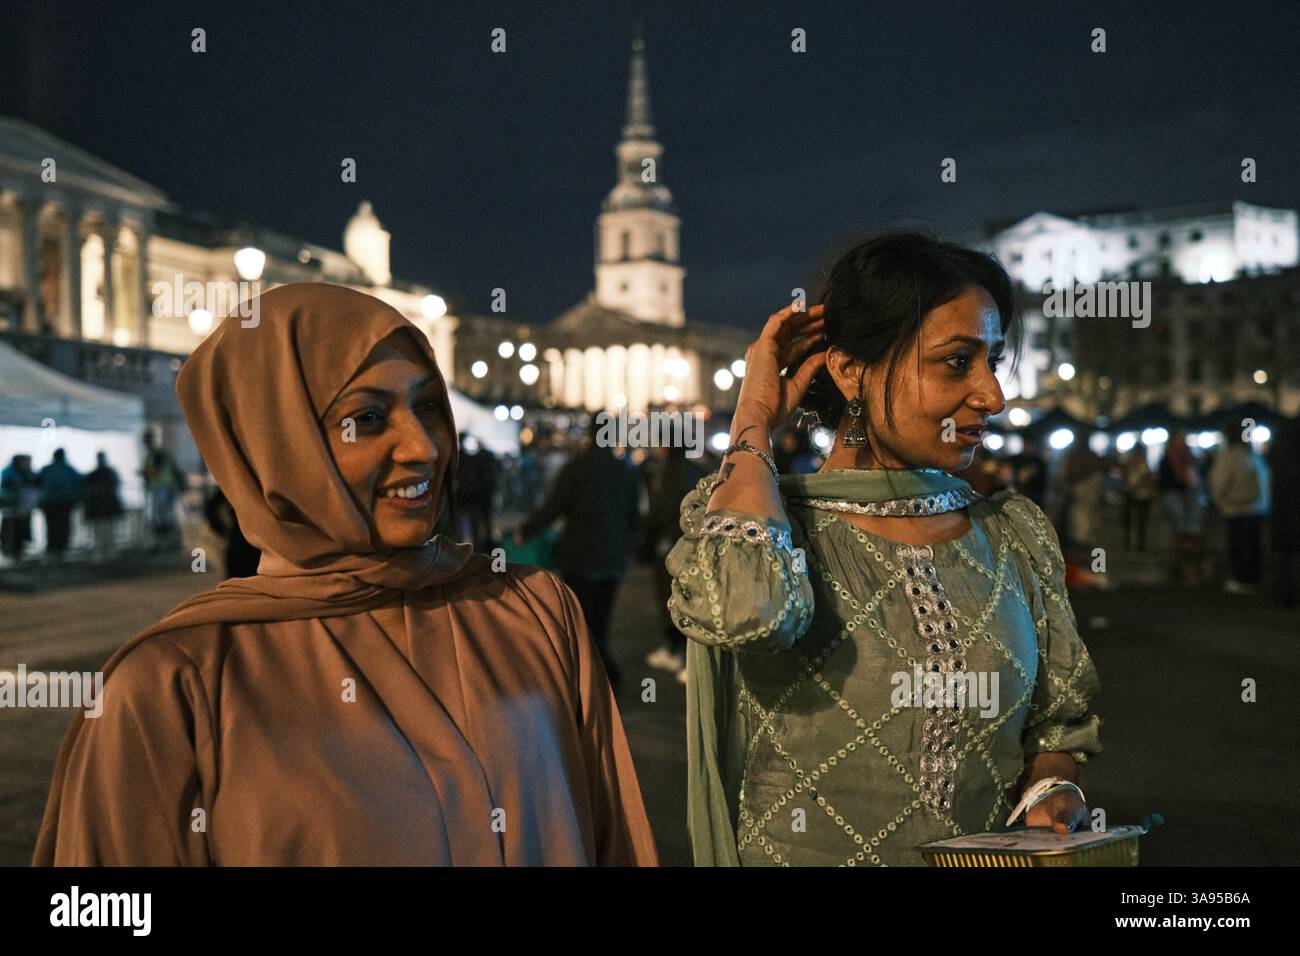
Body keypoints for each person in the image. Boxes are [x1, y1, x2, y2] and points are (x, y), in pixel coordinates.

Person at [34, 283, 657, 866]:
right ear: (273, 440)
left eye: (429, 407)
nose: (426, 447)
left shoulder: (537, 613)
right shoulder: (173, 686)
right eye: (367, 418)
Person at [667, 232, 1102, 866]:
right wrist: (754, 419)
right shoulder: (763, 524)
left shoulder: (1015, 533)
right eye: (957, 361)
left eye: (993, 360)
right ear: (849, 370)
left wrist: (1053, 789)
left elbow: (1057, 723)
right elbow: (746, 613)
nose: (993, 396)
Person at [516, 418, 642, 690]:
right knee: (601, 620)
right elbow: (634, 518)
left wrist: (526, 531)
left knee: (581, 621)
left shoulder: (576, 469)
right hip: (613, 559)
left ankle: (596, 676)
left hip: (580, 557)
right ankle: (602, 674)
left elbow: (554, 508)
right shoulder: (625, 472)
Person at [642, 444, 707, 681]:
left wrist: (649, 537)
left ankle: (683, 656)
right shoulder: (695, 469)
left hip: (672, 543)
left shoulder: (670, 472)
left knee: (672, 596)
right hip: (691, 542)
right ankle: (677, 652)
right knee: (689, 595)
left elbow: (663, 510)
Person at [1209, 436, 1271, 595]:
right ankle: (1252, 578)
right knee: (1252, 545)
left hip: (1237, 507)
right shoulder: (1255, 457)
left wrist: (1219, 500)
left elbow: (1219, 481)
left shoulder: (1229, 456)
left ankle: (1241, 578)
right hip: (1257, 508)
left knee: (1238, 545)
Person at [1158, 428, 1207, 586]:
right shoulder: (1168, 460)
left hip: (1188, 495)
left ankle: (1187, 553)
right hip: (1175, 495)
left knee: (1191, 524)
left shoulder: (1190, 459)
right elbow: (1165, 482)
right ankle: (1184, 556)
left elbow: (1196, 478)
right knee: (1181, 525)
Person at [203, 485, 261, 578]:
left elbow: (212, 508)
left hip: (241, 538)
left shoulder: (238, 483)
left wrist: (221, 530)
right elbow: (212, 507)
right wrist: (221, 530)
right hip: (246, 538)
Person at [142, 430, 183, 549]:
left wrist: (145, 473)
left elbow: (155, 472)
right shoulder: (158, 454)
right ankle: (169, 542)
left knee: (161, 516)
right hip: (164, 487)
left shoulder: (156, 454)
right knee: (165, 515)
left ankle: (166, 543)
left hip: (162, 487)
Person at [38, 448, 83, 558]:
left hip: (49, 503)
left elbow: (37, 483)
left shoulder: (46, 469)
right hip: (65, 502)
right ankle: (62, 546)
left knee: (51, 525)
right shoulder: (69, 469)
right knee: (64, 524)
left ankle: (52, 546)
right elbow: (80, 482)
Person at [82, 451, 124, 561]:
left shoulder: (92, 475)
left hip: (97, 510)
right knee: (108, 533)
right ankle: (108, 554)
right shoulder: (110, 473)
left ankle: (101, 555)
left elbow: (86, 490)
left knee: (99, 534)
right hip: (108, 509)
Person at [0, 454, 40, 561]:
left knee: (20, 527)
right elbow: (6, 487)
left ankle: (16, 549)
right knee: (11, 527)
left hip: (22, 506)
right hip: (10, 506)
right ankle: (11, 548)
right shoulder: (9, 472)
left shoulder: (26, 473)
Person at [1119, 447, 1157, 552]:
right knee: (1127, 519)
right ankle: (1128, 540)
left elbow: (1148, 484)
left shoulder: (1145, 469)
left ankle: (1141, 542)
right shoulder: (1129, 467)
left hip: (1143, 497)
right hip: (1130, 496)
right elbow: (1125, 481)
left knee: (1142, 520)